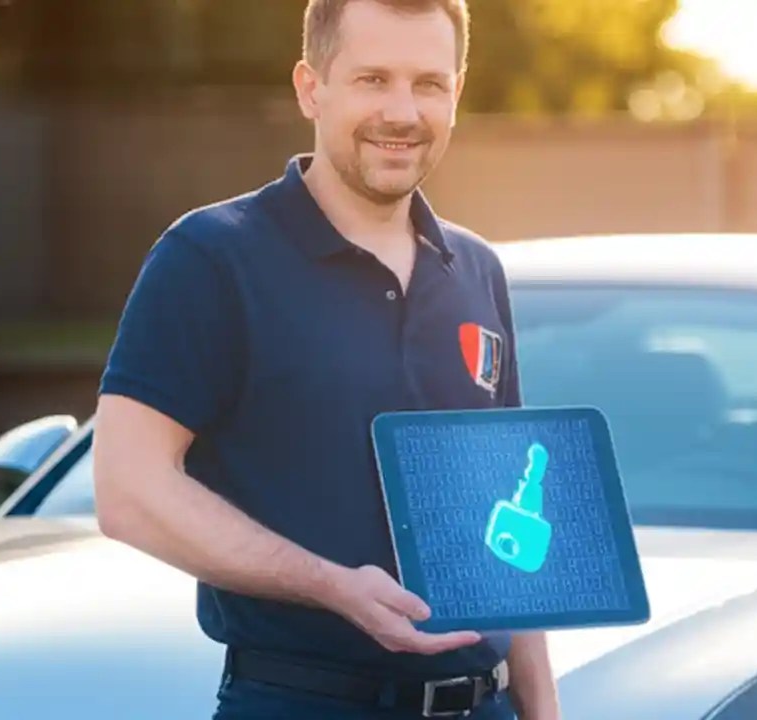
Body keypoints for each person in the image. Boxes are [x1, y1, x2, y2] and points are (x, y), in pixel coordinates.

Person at [91, 0, 560, 718]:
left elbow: (503, 539)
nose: (403, 112)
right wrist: (330, 585)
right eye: (373, 79)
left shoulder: (476, 271)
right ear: (312, 87)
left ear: (457, 94)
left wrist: (542, 711)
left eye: (428, 84)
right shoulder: (213, 258)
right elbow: (128, 491)